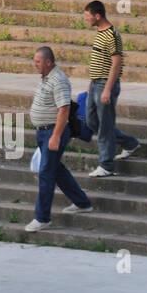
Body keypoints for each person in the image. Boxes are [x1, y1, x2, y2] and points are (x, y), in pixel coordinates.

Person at [26, 46, 94, 232]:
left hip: (53, 132)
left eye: (38, 61)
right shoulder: (46, 77)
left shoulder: (59, 80)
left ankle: (42, 217)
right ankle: (82, 203)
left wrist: (55, 136)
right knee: (56, 170)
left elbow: (64, 109)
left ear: (48, 62)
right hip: (43, 132)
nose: (35, 65)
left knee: (46, 173)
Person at [82, 0, 141, 177]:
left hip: (105, 84)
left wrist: (107, 89)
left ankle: (106, 165)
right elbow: (100, 60)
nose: (86, 19)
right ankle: (130, 143)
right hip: (95, 83)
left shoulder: (111, 35)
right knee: (92, 122)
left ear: (97, 16)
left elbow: (116, 63)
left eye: (87, 16)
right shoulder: (100, 32)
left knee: (105, 126)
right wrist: (90, 84)